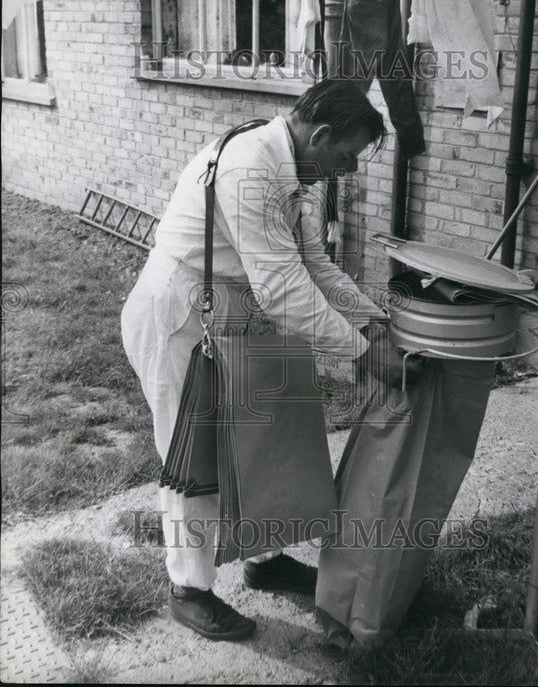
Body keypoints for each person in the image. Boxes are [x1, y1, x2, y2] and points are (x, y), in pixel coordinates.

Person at [121, 79, 413, 641]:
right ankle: (189, 589)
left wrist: (373, 322)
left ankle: (265, 557)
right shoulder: (251, 168)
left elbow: (312, 264)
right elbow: (281, 286)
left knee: (272, 437)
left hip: (239, 308)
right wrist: (360, 354)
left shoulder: (293, 167)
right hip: (183, 313)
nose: (346, 170)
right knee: (195, 458)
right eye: (346, 155)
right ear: (321, 134)